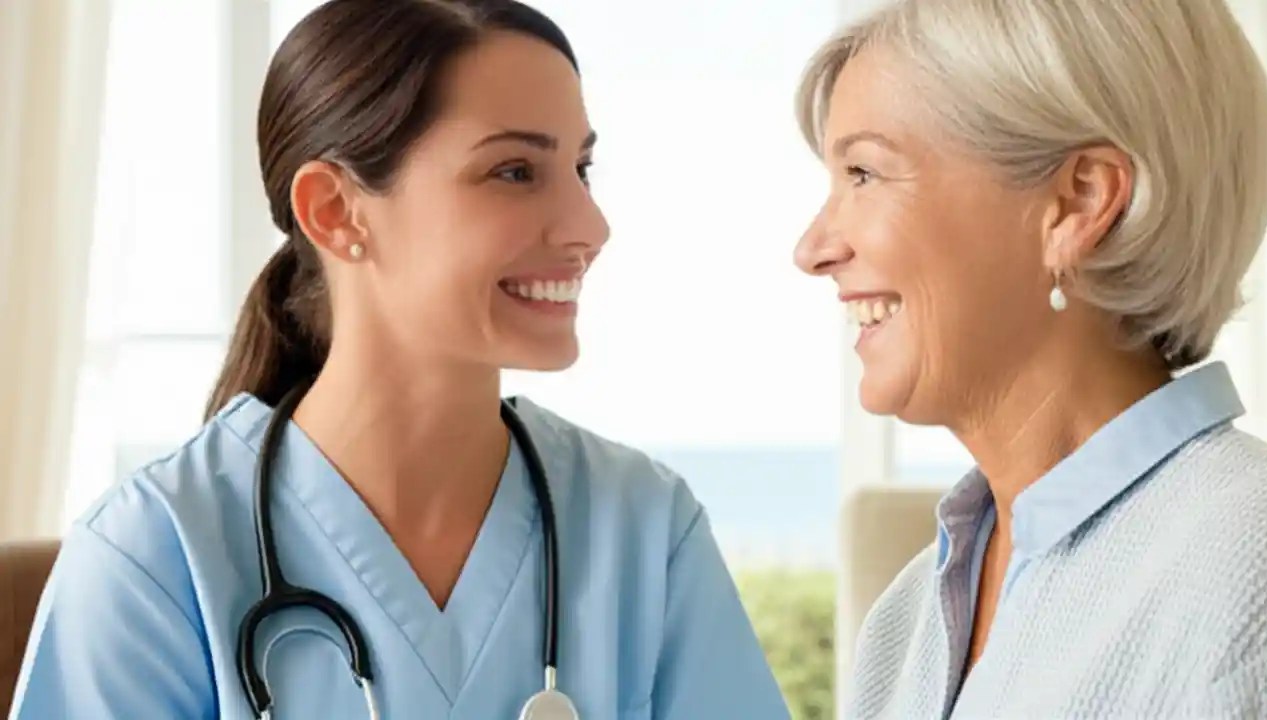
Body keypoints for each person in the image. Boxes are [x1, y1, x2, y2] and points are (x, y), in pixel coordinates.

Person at [9, 1, 789, 718]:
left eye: (580, 169)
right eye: (515, 172)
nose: (590, 224)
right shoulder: (154, 557)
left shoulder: (643, 530)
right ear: (336, 211)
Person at [792, 0, 1267, 717]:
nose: (812, 249)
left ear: (1077, 202)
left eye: (864, 173)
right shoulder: (904, 623)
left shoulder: (1252, 567)